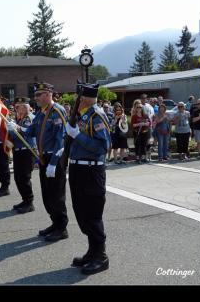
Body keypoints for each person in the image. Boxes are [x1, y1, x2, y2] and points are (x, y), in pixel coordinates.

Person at [8, 82, 69, 242]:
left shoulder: (57, 111)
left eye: (39, 95)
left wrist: (54, 162)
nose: (36, 98)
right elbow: (32, 131)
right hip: (43, 157)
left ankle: (62, 228)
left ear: (49, 94)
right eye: (35, 95)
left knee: (56, 195)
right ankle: (55, 223)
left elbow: (61, 140)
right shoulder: (42, 113)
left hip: (54, 157)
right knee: (47, 195)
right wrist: (17, 128)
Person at [64, 83, 111, 275]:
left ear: (91, 97)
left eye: (82, 96)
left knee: (92, 214)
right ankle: (92, 252)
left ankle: (101, 256)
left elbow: (102, 147)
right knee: (81, 212)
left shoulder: (96, 115)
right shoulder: (83, 115)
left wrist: (77, 135)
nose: (79, 99)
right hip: (77, 169)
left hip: (91, 171)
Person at [7, 97, 36, 213]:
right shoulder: (19, 119)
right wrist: (10, 130)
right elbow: (15, 136)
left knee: (24, 178)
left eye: (21, 106)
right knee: (18, 178)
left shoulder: (29, 118)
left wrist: (17, 128)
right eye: (17, 106)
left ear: (27, 107)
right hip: (18, 151)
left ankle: (29, 203)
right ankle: (25, 200)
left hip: (27, 151)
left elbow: (29, 132)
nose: (18, 108)